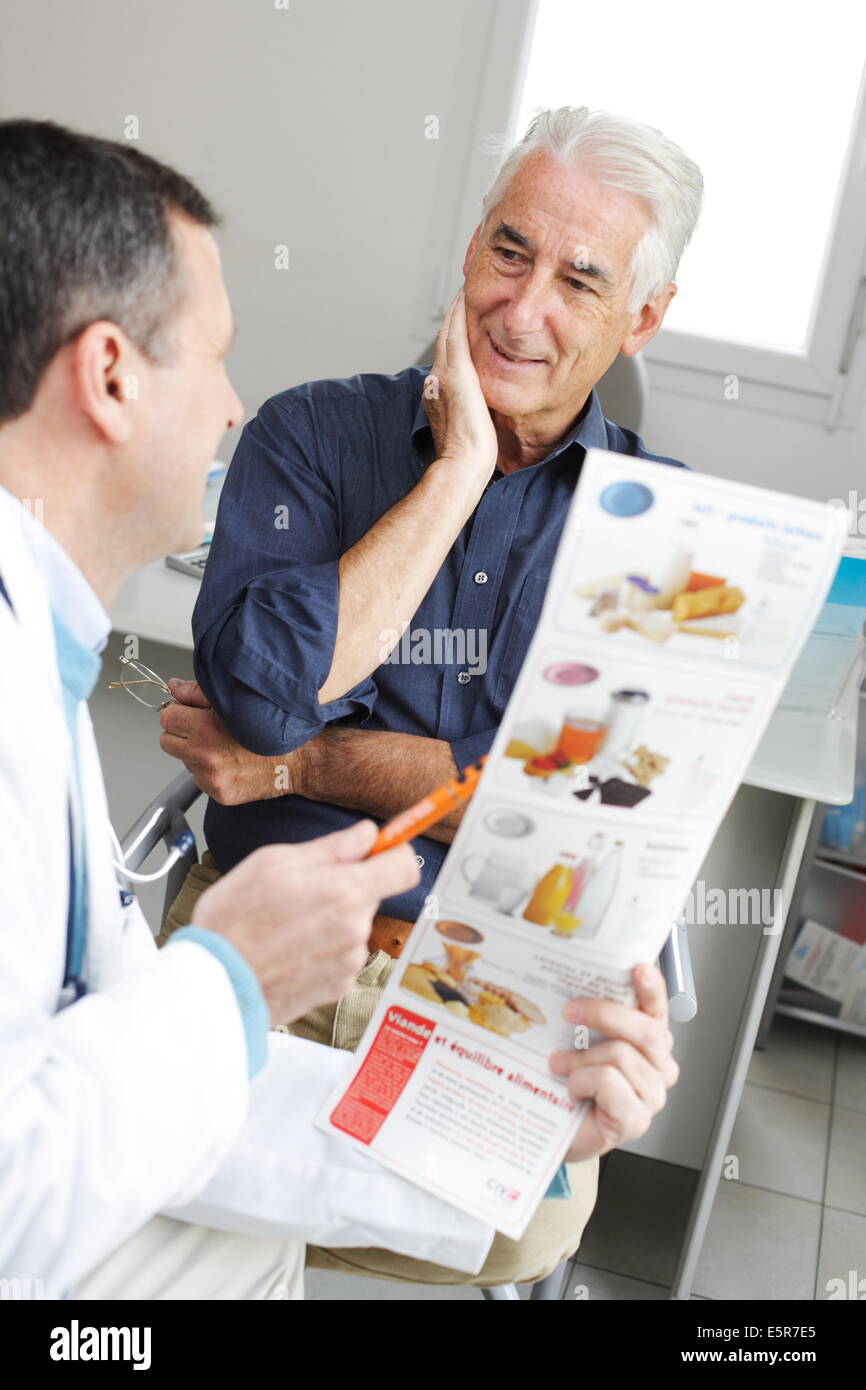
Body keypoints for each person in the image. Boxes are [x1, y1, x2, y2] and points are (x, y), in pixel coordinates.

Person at [159, 105, 697, 1289]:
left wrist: (305, 762)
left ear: (641, 318)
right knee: (168, 1193)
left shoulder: (667, 535)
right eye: (508, 251)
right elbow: (258, 695)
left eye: (578, 279)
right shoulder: (309, 433)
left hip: (490, 998)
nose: (521, 308)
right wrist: (453, 474)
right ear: (469, 245)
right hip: (266, 940)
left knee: (515, 1229)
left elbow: (579, 815)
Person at [0, 119, 421, 1300]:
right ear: (111, 375)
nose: (237, 407)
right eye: (217, 358)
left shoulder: (39, 638)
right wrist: (231, 968)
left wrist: (500, 1131)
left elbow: (113, 1034)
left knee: (239, 1240)